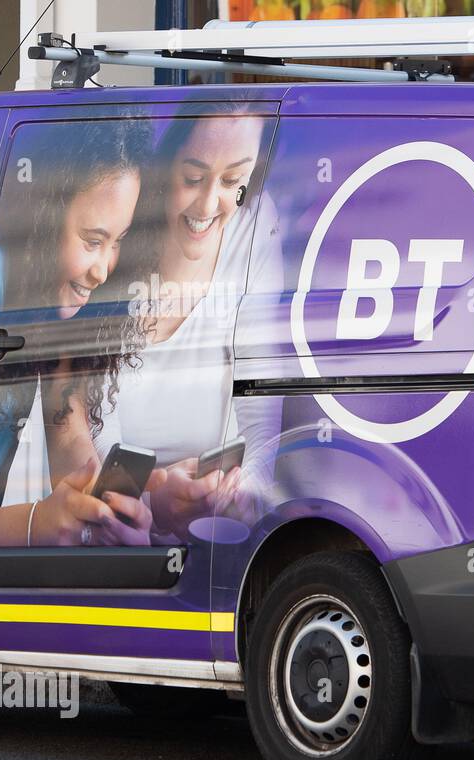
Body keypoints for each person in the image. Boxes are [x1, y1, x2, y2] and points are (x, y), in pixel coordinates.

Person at [94, 101, 283, 543]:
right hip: (120, 528)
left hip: (214, 533)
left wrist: (245, 493)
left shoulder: (255, 224)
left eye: (233, 181)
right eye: (193, 178)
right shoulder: (119, 234)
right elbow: (92, 418)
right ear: (164, 171)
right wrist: (154, 500)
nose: (208, 203)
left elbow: (262, 395)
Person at [0, 120, 157, 547]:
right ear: (46, 214)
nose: (103, 269)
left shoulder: (48, 308)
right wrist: (33, 525)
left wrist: (108, 512)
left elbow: (69, 436)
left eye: (118, 242)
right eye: (93, 240)